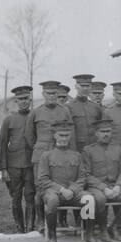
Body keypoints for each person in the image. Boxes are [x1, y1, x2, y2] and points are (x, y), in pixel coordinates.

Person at [25, 81, 73, 230]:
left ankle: (62, 220)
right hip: (41, 155)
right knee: (40, 188)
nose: (52, 96)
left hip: (61, 153)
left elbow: (70, 131)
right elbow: (29, 135)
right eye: (49, 93)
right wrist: (40, 146)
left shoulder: (64, 111)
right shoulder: (36, 112)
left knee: (63, 185)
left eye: (55, 93)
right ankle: (41, 222)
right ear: (43, 94)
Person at [82, 117, 121, 242]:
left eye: (108, 131)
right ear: (96, 133)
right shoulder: (88, 150)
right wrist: (103, 188)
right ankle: (103, 229)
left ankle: (114, 226)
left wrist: (118, 185)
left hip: (115, 185)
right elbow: (87, 174)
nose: (106, 134)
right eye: (102, 132)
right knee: (100, 198)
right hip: (96, 187)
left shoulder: (118, 149)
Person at [36, 121, 86, 242]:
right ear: (55, 136)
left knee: (89, 200)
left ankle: (88, 232)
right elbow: (42, 179)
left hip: (73, 192)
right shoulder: (46, 156)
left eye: (66, 135)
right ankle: (53, 237)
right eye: (61, 135)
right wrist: (62, 190)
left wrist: (72, 190)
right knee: (52, 201)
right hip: (53, 192)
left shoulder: (76, 155)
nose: (64, 138)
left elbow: (82, 178)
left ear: (70, 137)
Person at [0, 84, 35, 233]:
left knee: (30, 197)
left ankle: (30, 228)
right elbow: (2, 144)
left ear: (30, 100)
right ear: (16, 101)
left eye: (26, 98)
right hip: (13, 167)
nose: (24, 101)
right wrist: (4, 169)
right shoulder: (9, 120)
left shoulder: (35, 116)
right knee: (16, 198)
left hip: (31, 165)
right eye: (20, 99)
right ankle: (20, 228)